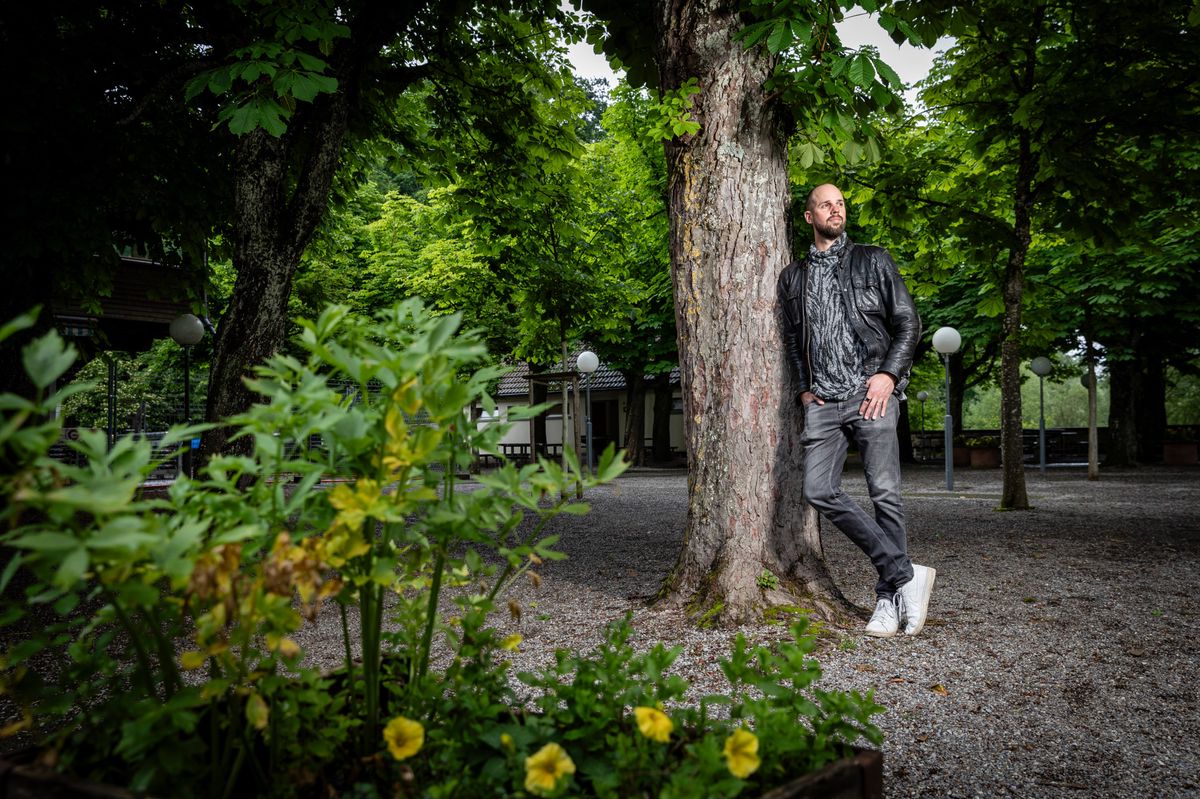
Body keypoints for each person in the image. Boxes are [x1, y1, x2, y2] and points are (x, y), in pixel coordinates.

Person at [777, 183, 935, 637]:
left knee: (884, 494)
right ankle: (907, 576)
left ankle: (888, 599)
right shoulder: (793, 277)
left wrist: (888, 375)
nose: (836, 210)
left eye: (841, 203)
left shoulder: (873, 259)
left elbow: (908, 321)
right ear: (809, 217)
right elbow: (792, 339)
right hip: (823, 402)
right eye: (826, 204)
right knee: (818, 490)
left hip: (872, 394)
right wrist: (805, 390)